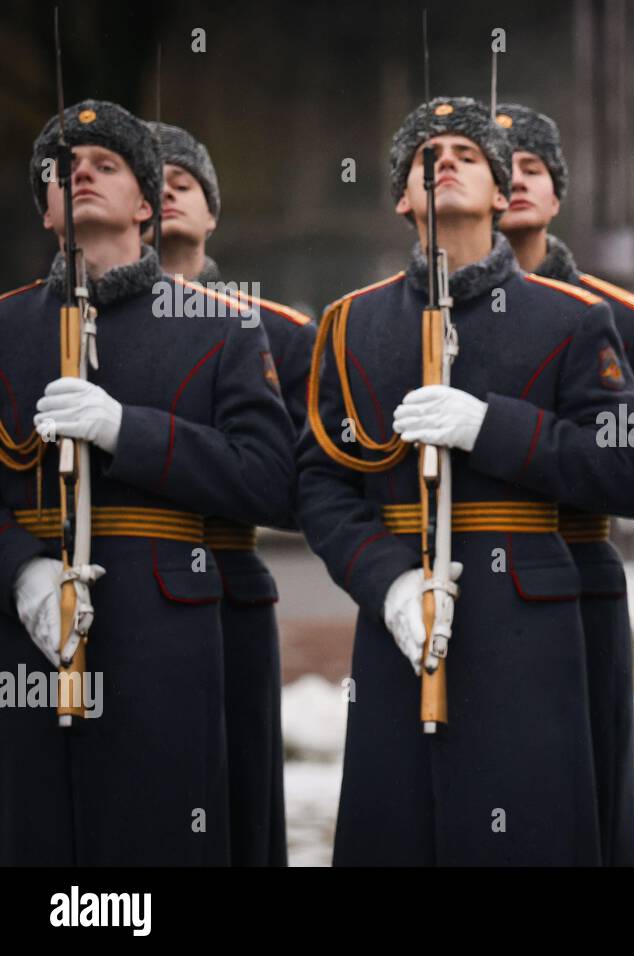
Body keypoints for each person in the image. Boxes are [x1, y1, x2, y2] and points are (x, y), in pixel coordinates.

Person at [297, 95, 634, 865]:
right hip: (398, 623)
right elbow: (320, 481)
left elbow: (625, 467)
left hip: (532, 623)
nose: (444, 161)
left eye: (466, 153)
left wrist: (490, 428)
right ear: (401, 198)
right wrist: (386, 583)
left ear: (502, 193)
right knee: (398, 831)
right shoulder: (351, 324)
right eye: (426, 156)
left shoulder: (570, 318)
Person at [0, 100, 294, 864]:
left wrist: (127, 431)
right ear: (46, 212)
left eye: (106, 165)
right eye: (64, 171)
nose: (82, 174)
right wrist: (20, 570)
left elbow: (268, 480)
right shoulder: (4, 328)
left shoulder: (220, 324)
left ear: (144, 204)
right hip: (23, 637)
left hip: (166, 636)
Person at [495, 101, 634, 866]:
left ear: (557, 195)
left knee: (584, 788)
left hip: (576, 567)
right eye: (497, 169)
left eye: (531, 169)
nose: (513, 182)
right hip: (465, 569)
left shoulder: (622, 320)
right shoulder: (409, 318)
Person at [148, 120, 318, 866]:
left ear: (212, 212)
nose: (166, 194)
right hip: (114, 584)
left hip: (228, 590)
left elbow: (307, 483)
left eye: (184, 183)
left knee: (237, 795)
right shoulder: (59, 325)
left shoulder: (276, 333)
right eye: (151, 182)